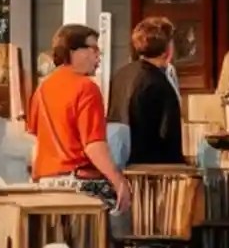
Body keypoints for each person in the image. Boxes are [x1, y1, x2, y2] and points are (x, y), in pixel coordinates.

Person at [27, 24, 131, 214]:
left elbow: (35, 141)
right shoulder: (86, 88)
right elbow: (93, 145)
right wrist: (118, 181)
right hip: (80, 185)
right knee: (121, 221)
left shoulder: (42, 90)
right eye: (94, 49)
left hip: (46, 185)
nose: (99, 56)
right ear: (74, 51)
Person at [107, 17, 184, 165]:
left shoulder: (121, 74)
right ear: (167, 49)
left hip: (120, 160)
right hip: (150, 167)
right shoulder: (160, 83)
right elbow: (168, 134)